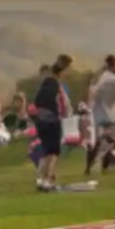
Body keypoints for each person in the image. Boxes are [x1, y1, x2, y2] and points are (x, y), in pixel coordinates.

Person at [30, 54, 73, 191]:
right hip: (51, 120)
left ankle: (41, 179)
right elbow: (58, 103)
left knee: (46, 150)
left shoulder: (47, 81)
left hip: (41, 120)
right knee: (53, 152)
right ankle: (47, 179)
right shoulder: (54, 83)